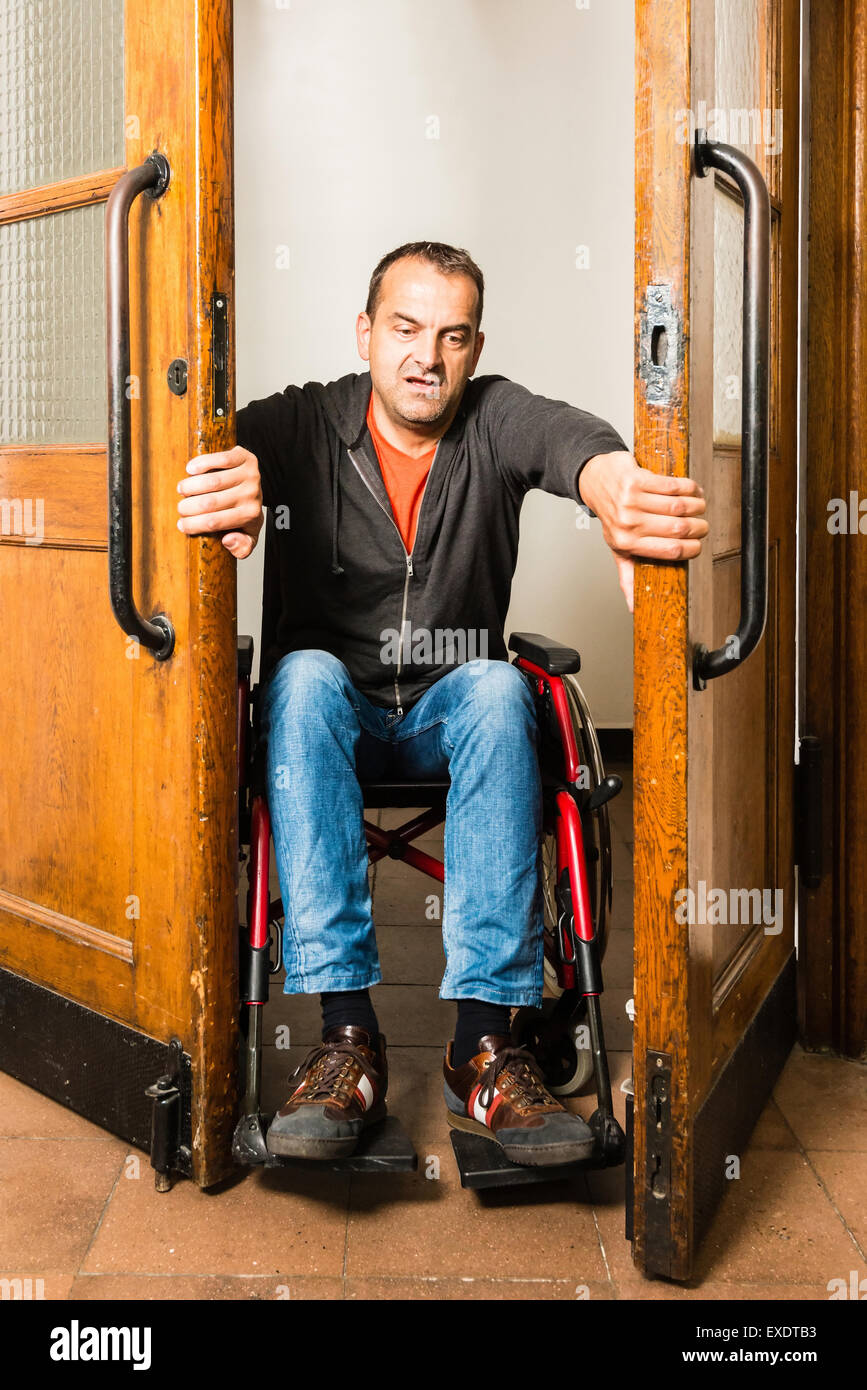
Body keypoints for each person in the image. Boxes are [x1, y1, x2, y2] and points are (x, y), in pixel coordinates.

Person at [177, 241, 707, 1166]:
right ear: (366, 333)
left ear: (475, 345)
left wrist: (614, 484)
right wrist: (225, 482)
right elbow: (209, 453)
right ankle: (347, 1037)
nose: (427, 355)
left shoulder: (492, 418)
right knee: (298, 676)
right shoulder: (302, 423)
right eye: (406, 328)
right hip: (327, 717)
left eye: (451, 335)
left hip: (445, 718)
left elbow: (565, 438)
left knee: (501, 684)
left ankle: (483, 1045)